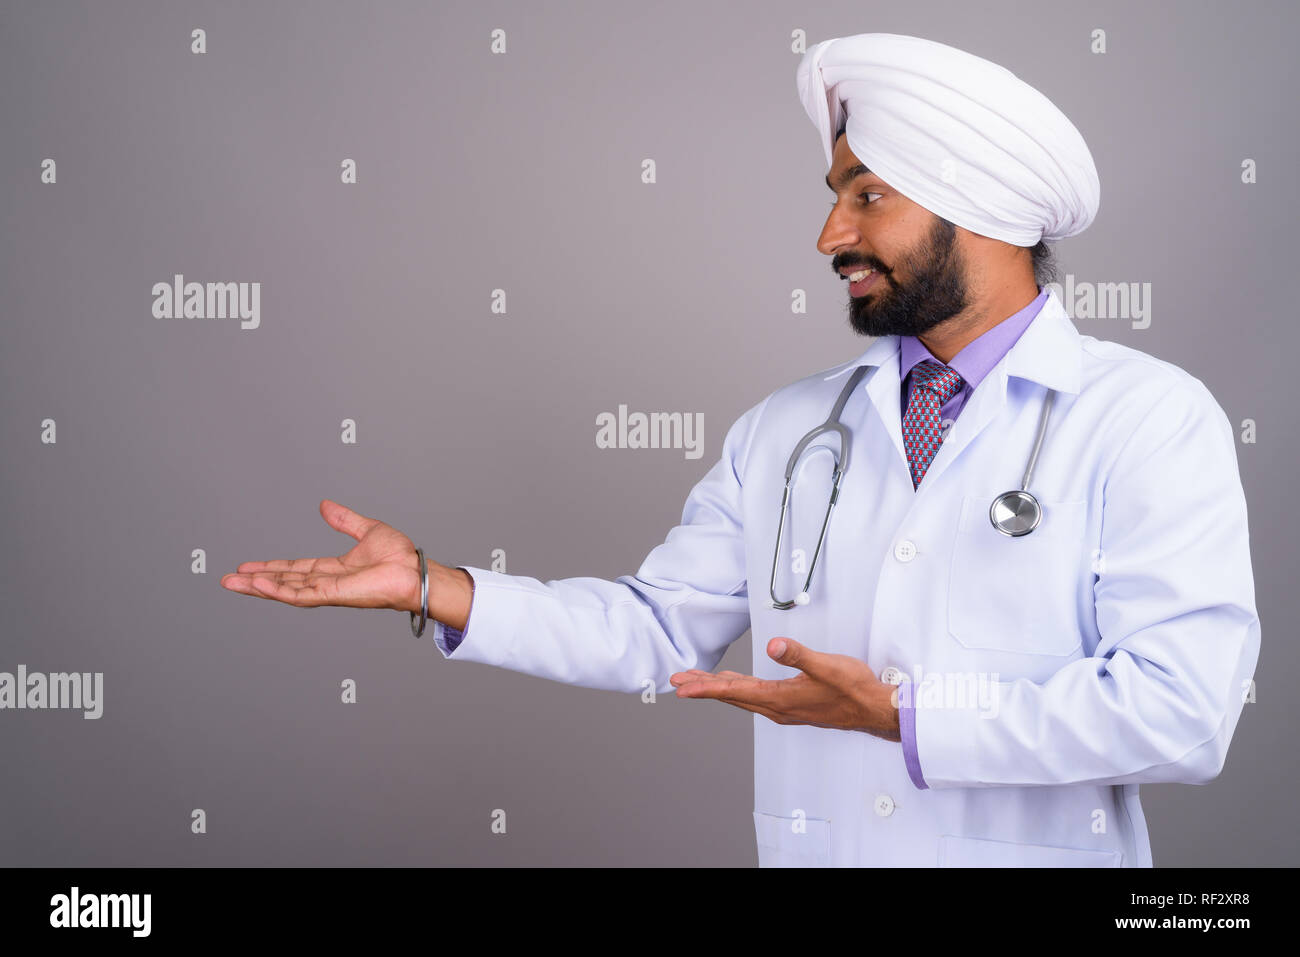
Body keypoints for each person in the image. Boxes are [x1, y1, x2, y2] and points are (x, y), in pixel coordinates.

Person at [221, 32, 1260, 867]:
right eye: (834, 194)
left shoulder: (1147, 420)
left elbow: (1179, 716)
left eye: (866, 196)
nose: (828, 237)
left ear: (975, 210)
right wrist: (435, 588)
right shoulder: (787, 430)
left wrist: (904, 714)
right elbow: (658, 631)